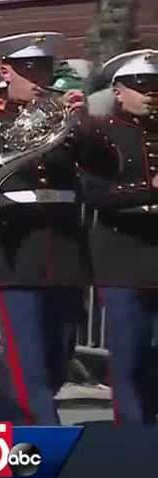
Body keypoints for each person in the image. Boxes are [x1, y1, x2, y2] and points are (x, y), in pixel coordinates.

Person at [0, 31, 98, 426]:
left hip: (66, 253)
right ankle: (43, 447)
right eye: (28, 68)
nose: (38, 77)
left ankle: (4, 425)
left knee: (56, 356)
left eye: (44, 68)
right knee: (29, 362)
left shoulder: (68, 125)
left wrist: (83, 122)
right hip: (15, 252)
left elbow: (104, 167)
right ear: (6, 72)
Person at [80, 48, 158, 425]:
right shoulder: (101, 134)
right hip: (122, 259)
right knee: (130, 355)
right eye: (141, 86)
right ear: (117, 91)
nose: (150, 93)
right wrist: (149, 190)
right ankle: (130, 437)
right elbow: (96, 194)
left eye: (155, 85)